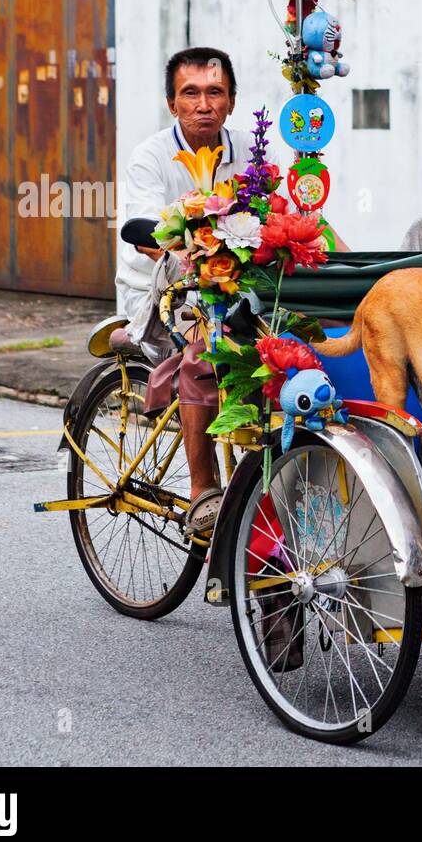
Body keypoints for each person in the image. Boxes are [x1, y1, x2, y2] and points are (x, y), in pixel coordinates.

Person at [116, 46, 348, 534]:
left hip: (245, 284)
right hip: (167, 289)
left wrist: (346, 269)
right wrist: (190, 256)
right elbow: (146, 236)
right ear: (171, 102)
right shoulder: (151, 157)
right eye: (191, 93)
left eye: (215, 92)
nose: (204, 104)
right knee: (207, 351)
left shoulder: (253, 150)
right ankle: (204, 491)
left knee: (317, 325)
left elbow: (294, 214)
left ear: (232, 101)